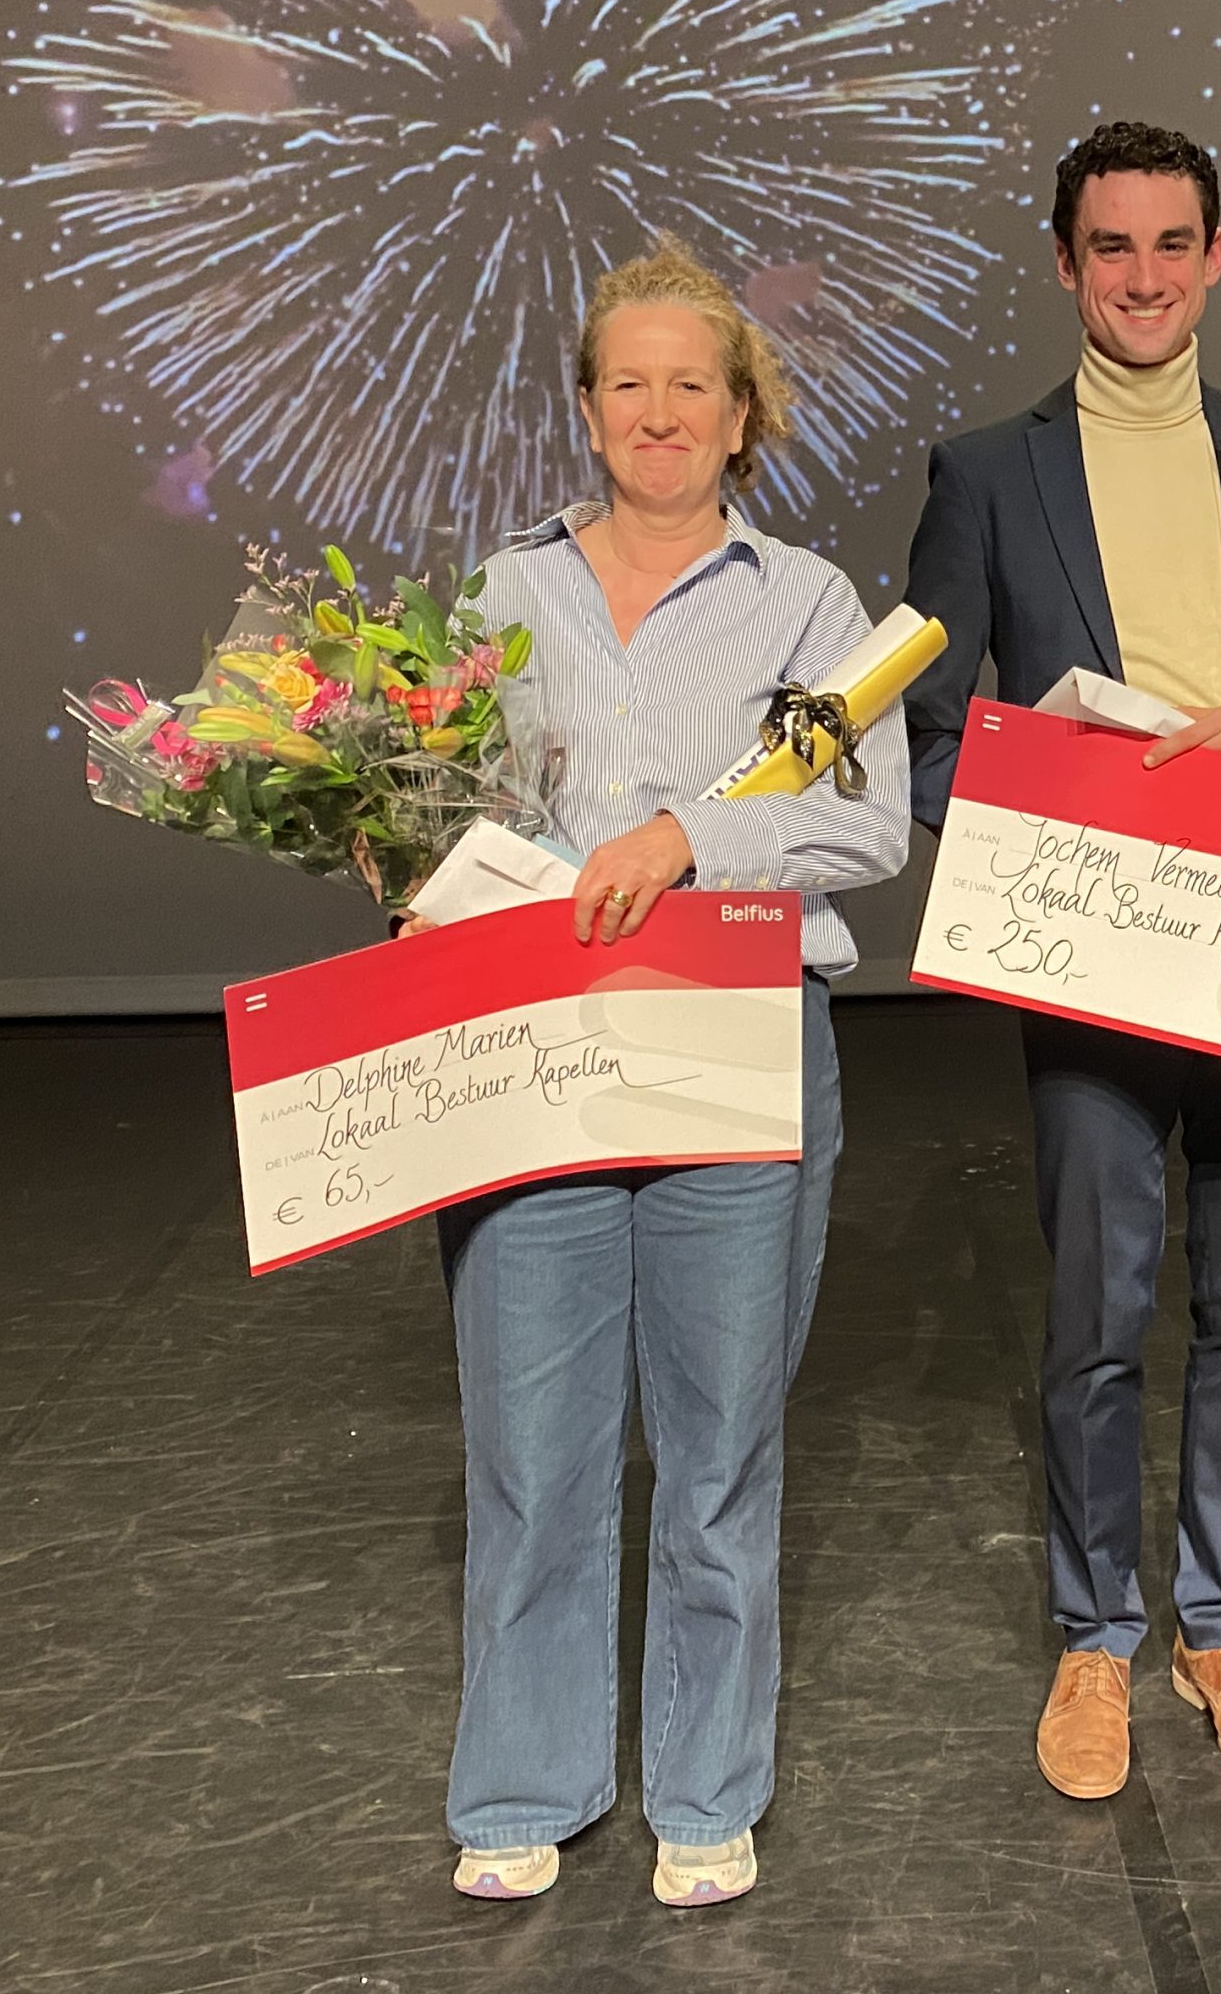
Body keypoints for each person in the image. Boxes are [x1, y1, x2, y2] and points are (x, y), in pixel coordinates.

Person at [903, 119, 1221, 1800]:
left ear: (1215, 257)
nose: (1143, 276)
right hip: (1101, 956)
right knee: (1099, 1312)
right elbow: (920, 741)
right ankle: (1093, 1637)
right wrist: (1034, 798)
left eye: (1172, 244)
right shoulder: (986, 474)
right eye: (1109, 247)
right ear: (1065, 263)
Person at [414, 239, 907, 1905]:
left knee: (716, 1442)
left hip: (739, 1048)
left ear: (744, 413)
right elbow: (427, 803)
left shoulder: (814, 606)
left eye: (693, 381)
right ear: (586, 406)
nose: (660, 409)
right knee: (535, 1445)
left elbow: (863, 819)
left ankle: (706, 1784)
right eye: (628, 380)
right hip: (533, 1057)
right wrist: (408, 861)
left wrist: (689, 834)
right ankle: (525, 1782)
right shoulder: (500, 593)